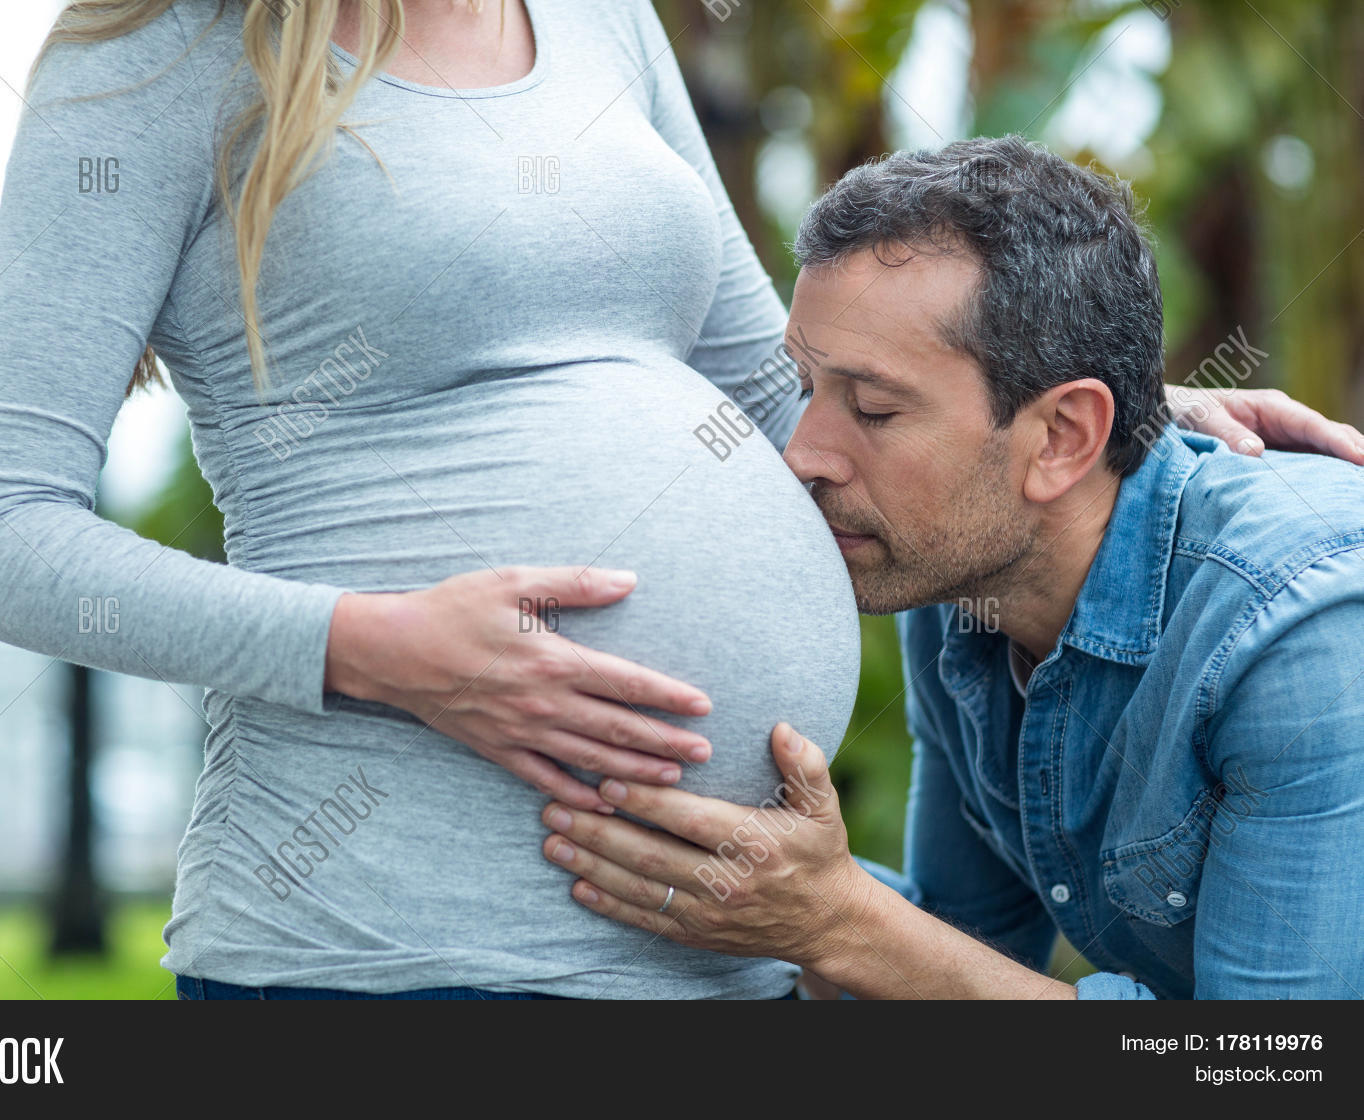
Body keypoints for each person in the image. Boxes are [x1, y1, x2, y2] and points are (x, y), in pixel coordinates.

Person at [537, 136, 1364, 999]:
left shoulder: (1305, 632)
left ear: (1063, 437)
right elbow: (959, 944)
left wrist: (840, 922)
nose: (800, 454)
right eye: (808, 387)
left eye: (874, 408)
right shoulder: (963, 589)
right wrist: (766, 889)